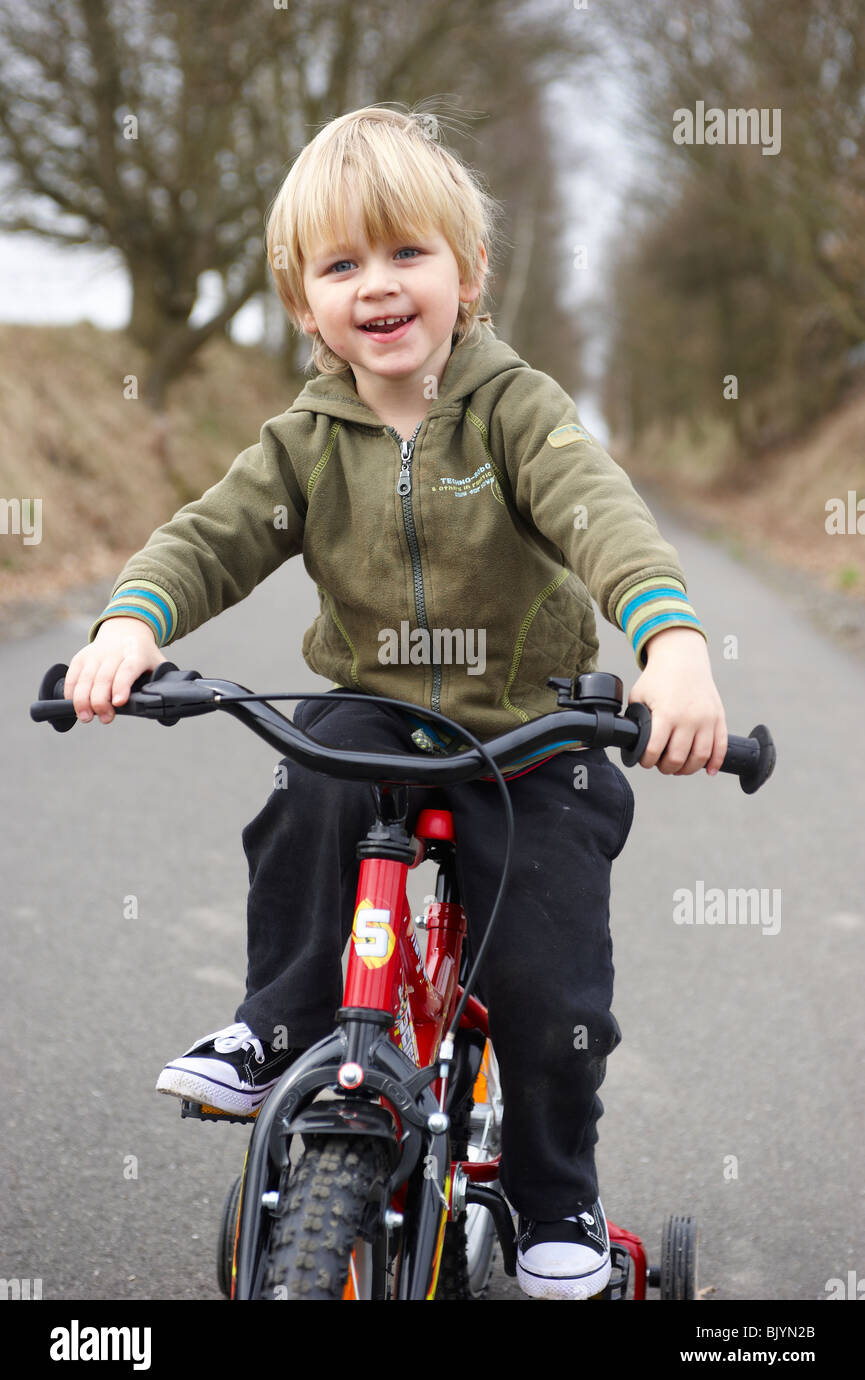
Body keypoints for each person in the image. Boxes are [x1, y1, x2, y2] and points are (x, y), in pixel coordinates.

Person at [63, 105, 727, 1299]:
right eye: (341, 264)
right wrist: (129, 623)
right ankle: (280, 1020)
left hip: (533, 731)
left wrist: (670, 645)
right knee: (314, 762)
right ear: (303, 301)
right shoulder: (304, 440)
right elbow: (208, 537)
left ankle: (552, 1195)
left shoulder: (515, 412)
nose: (378, 285)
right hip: (381, 712)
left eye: (407, 253)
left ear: (467, 274)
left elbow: (602, 516)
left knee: (546, 984)